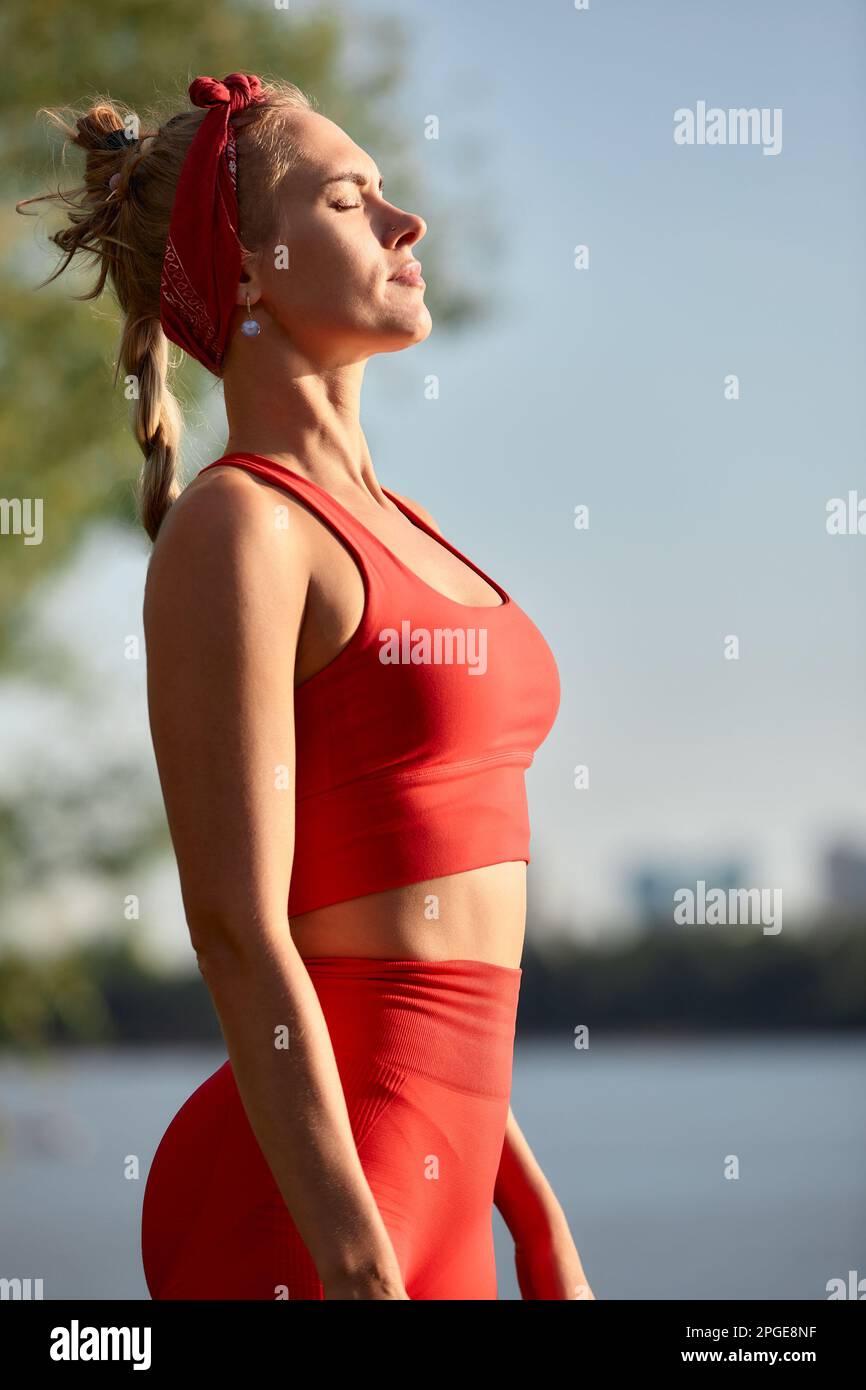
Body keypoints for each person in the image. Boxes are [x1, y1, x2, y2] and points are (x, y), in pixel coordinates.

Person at [19, 71, 596, 1301]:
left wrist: (535, 1217)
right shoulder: (240, 530)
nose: (406, 223)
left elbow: (440, 953)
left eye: (385, 192)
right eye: (349, 199)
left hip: (433, 1179)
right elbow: (238, 926)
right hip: (322, 1202)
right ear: (247, 270)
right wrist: (355, 1263)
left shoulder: (411, 526)